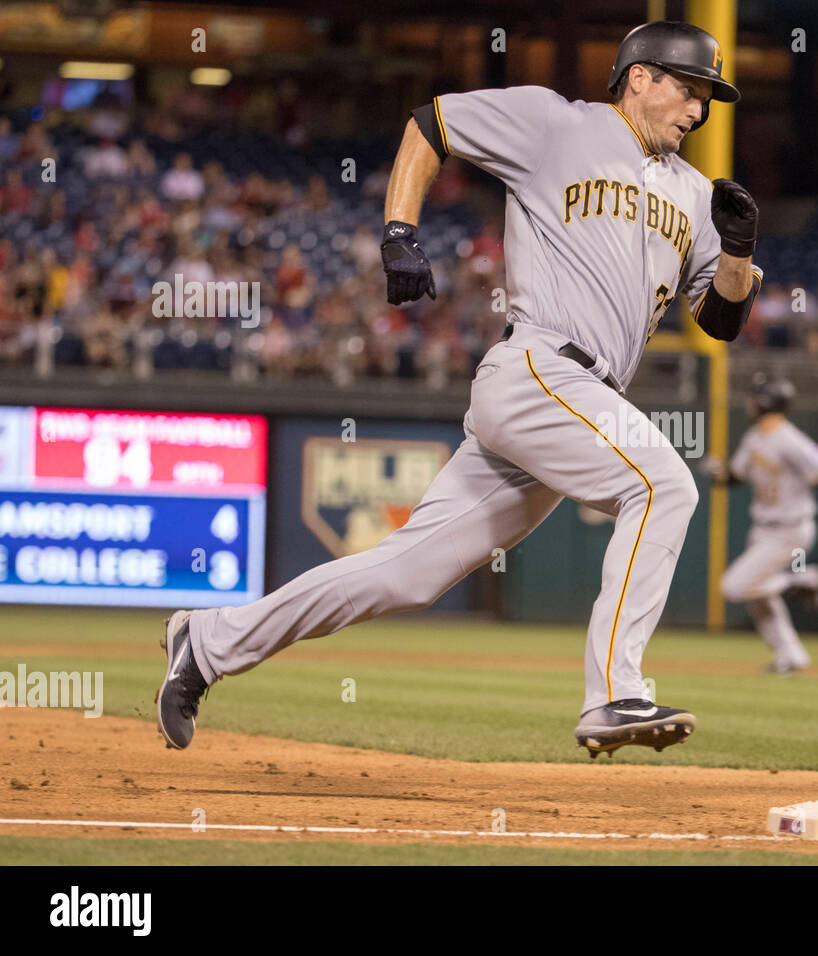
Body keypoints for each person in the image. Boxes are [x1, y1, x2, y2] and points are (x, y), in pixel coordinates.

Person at [154, 20, 762, 759]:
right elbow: (430, 123)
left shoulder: (697, 193)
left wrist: (736, 251)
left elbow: (721, 320)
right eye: (690, 90)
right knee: (665, 485)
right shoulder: (556, 124)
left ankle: (209, 641)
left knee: (407, 574)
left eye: (706, 98)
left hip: (577, 402)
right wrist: (399, 230)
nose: (698, 111)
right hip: (541, 368)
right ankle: (612, 692)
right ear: (640, 76)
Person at [703, 375, 818, 674]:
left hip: (790, 528)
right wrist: (720, 474)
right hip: (763, 529)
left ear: (764, 402)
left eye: (754, 397)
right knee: (760, 599)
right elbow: (737, 476)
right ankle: (791, 656)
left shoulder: (789, 439)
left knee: (734, 586)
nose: (749, 402)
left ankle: (804, 579)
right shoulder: (755, 438)